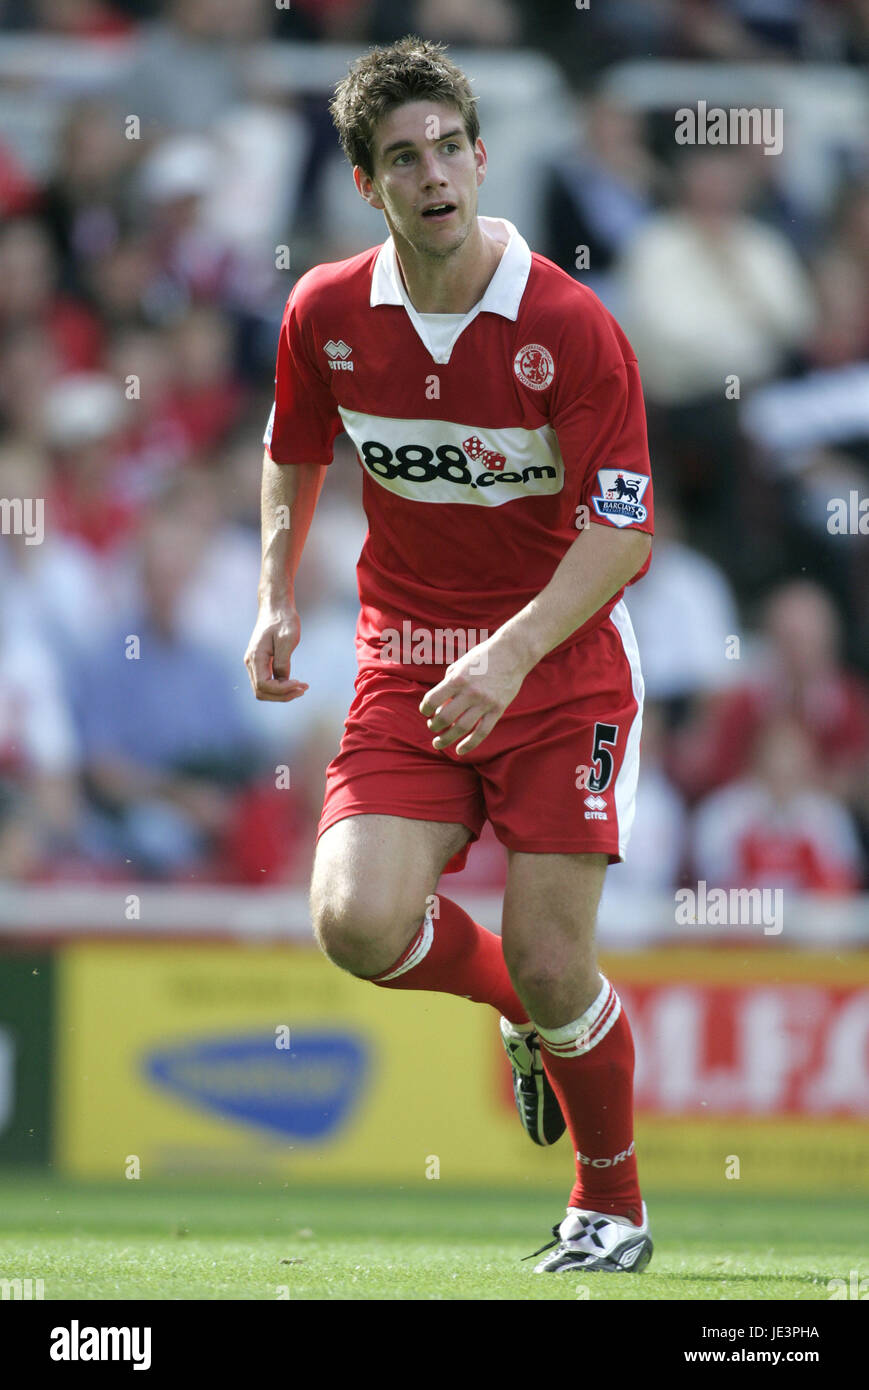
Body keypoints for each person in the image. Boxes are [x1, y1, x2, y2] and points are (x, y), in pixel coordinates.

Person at [245, 36, 655, 1275]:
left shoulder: (567, 325)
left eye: (447, 149)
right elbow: (293, 447)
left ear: (482, 158)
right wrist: (273, 595)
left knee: (551, 953)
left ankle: (611, 1207)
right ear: (369, 188)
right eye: (400, 159)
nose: (432, 175)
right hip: (405, 658)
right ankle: (519, 1021)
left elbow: (622, 531)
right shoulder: (323, 309)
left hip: (562, 661)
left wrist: (513, 656)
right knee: (354, 922)